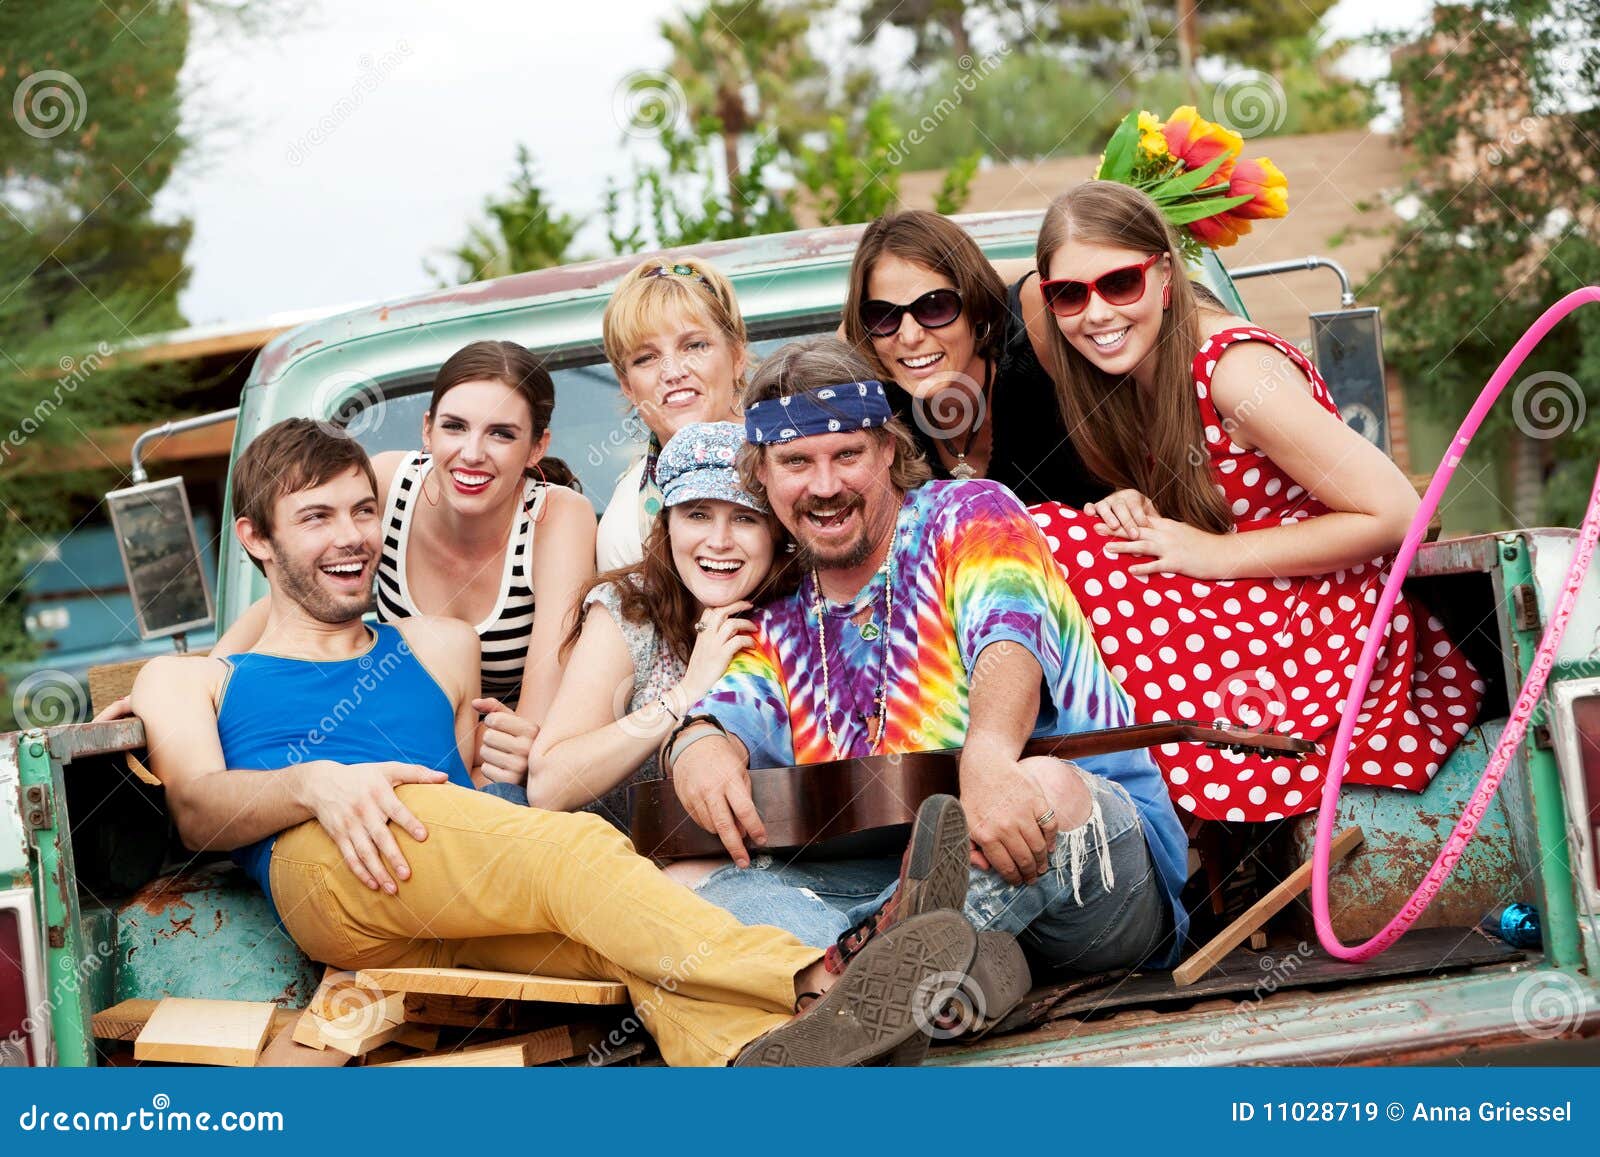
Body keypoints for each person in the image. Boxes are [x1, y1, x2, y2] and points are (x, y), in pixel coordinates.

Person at [129, 417, 980, 1068]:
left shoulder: (437, 644)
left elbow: (484, 805)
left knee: (629, 942)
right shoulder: (196, 679)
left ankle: (771, 1052)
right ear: (255, 538)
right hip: (326, 863)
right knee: (578, 851)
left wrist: (509, 755)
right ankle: (820, 975)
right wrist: (314, 782)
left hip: (443, 879)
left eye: (361, 511)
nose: (349, 536)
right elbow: (198, 811)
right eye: (315, 517)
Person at [663, 337, 1190, 977]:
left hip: (1082, 877)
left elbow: (1008, 637)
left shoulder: (969, 513)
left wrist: (991, 754)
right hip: (886, 894)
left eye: (847, 454)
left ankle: (839, 983)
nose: (824, 486)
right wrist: (697, 744)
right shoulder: (776, 617)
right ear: (762, 475)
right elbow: (728, 710)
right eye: (796, 461)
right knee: (686, 880)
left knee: (1038, 787)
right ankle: (957, 981)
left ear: (888, 448)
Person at [1026, 180, 1484, 823]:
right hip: (1252, 603)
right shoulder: (1140, 372)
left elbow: (1396, 513)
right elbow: (1021, 297)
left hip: (1324, 621)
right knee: (1043, 540)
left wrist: (1214, 552)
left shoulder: (1234, 369)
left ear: (1163, 276)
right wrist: (1130, 505)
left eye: (1119, 283)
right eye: (1068, 294)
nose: (1095, 313)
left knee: (1041, 537)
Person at [199, 341, 597, 796]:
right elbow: (295, 586)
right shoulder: (389, 484)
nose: (471, 452)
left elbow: (531, 725)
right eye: (454, 426)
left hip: (498, 762)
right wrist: (205, 683)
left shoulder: (557, 518)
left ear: (536, 447)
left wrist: (492, 752)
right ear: (427, 431)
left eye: (502, 434)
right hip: (404, 736)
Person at [513, 422, 795, 833]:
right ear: (667, 524)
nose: (719, 541)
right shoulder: (631, 611)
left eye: (745, 518)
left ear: (775, 532)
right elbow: (549, 784)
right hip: (628, 861)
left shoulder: (802, 613)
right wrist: (684, 695)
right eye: (697, 514)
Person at [841, 209, 1104, 509]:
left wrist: (976, 273)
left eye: (935, 306)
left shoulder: (1033, 338)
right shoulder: (875, 394)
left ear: (976, 307)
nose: (910, 336)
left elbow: (1086, 268)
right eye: (883, 315)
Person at [596, 258, 751, 569]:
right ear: (627, 384)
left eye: (694, 346)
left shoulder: (804, 460)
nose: (673, 372)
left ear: (736, 356)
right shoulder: (627, 523)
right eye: (646, 358)